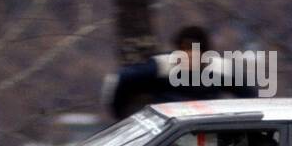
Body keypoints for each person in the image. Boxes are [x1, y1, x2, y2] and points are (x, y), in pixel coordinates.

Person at [108, 25, 258, 120]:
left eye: (193, 52)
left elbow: (250, 98)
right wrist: (121, 117)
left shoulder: (221, 70)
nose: (187, 56)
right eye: (183, 51)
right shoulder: (162, 66)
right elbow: (122, 80)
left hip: (206, 129)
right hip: (164, 132)